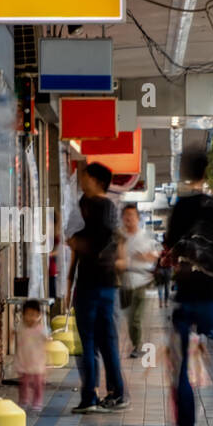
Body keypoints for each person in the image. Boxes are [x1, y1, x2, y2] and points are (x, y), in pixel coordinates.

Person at [163, 149, 213, 426]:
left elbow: (170, 248)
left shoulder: (180, 205)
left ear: (184, 173)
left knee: (180, 360)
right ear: (206, 172)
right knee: (212, 351)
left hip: (186, 290)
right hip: (210, 291)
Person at [68, 161, 128, 413]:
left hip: (101, 284)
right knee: (93, 341)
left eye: (85, 177)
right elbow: (75, 245)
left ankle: (108, 394)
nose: (81, 180)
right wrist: (70, 279)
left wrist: (78, 244)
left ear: (97, 180)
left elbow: (101, 242)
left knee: (100, 341)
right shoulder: (84, 203)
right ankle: (93, 395)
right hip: (91, 283)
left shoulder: (105, 208)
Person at [118, 203, 157, 358]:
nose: (129, 218)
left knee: (135, 316)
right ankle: (134, 340)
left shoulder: (145, 236)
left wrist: (143, 256)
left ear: (138, 218)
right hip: (124, 280)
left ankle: (137, 345)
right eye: (126, 215)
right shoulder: (119, 236)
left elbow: (156, 255)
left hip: (142, 280)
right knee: (128, 315)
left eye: (132, 215)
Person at [14, 299, 49, 413]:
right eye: (28, 314)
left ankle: (37, 401)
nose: (31, 318)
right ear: (23, 315)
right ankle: (23, 400)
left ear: (39, 315)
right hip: (23, 360)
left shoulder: (41, 330)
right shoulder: (21, 327)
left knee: (38, 384)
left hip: (37, 362)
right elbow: (14, 333)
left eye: (34, 315)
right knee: (23, 383)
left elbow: (47, 341)